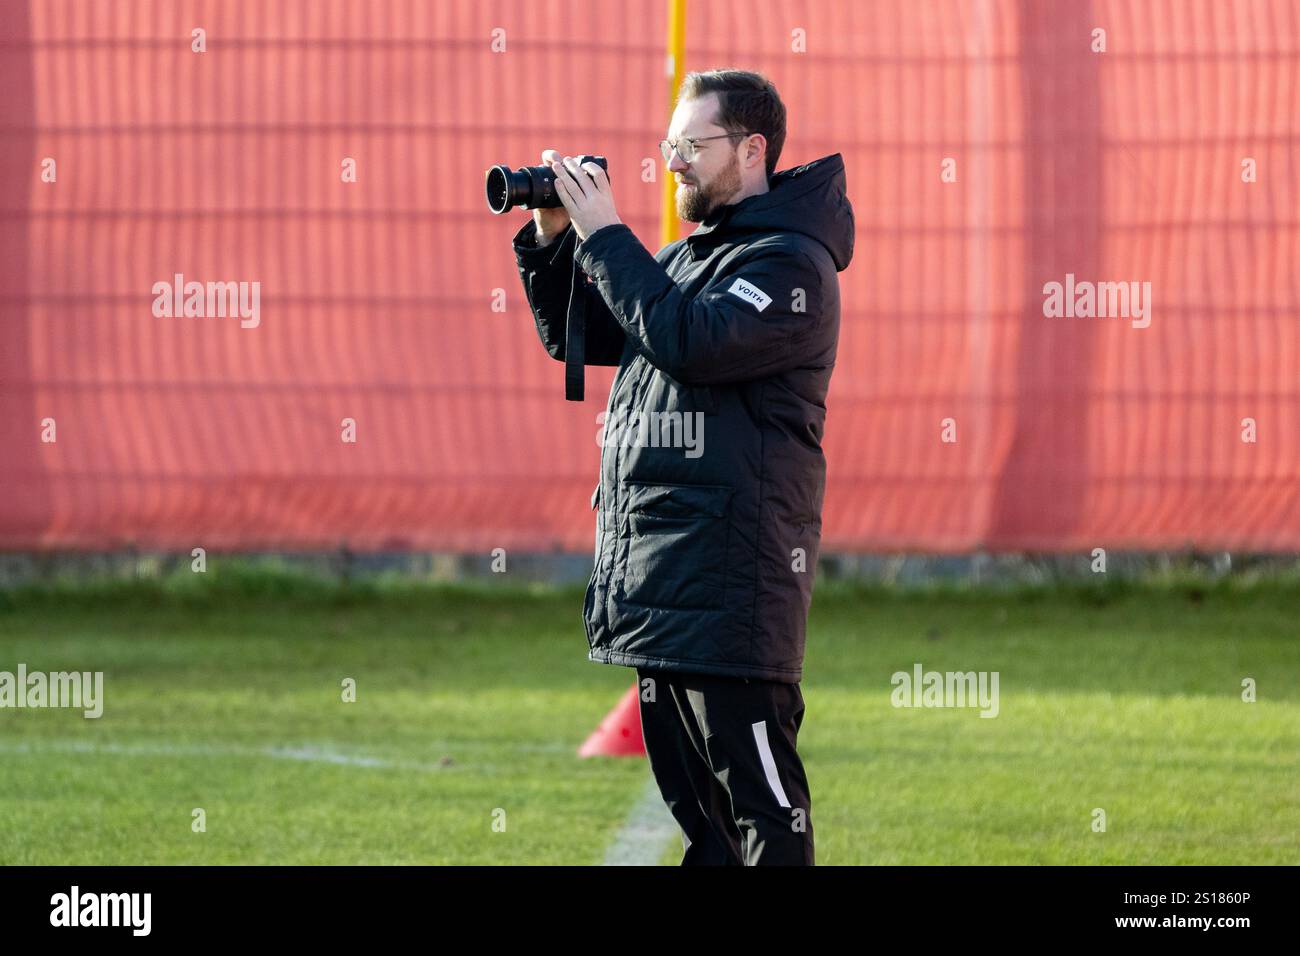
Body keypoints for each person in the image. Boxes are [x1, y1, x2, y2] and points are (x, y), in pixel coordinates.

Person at [510, 68, 854, 865]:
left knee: (765, 819)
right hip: (666, 588)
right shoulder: (694, 257)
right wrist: (558, 237)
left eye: (691, 146)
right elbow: (588, 337)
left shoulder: (790, 266)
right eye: (669, 145)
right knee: (708, 831)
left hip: (733, 590)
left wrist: (606, 237)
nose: (673, 162)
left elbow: (692, 343)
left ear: (752, 149)